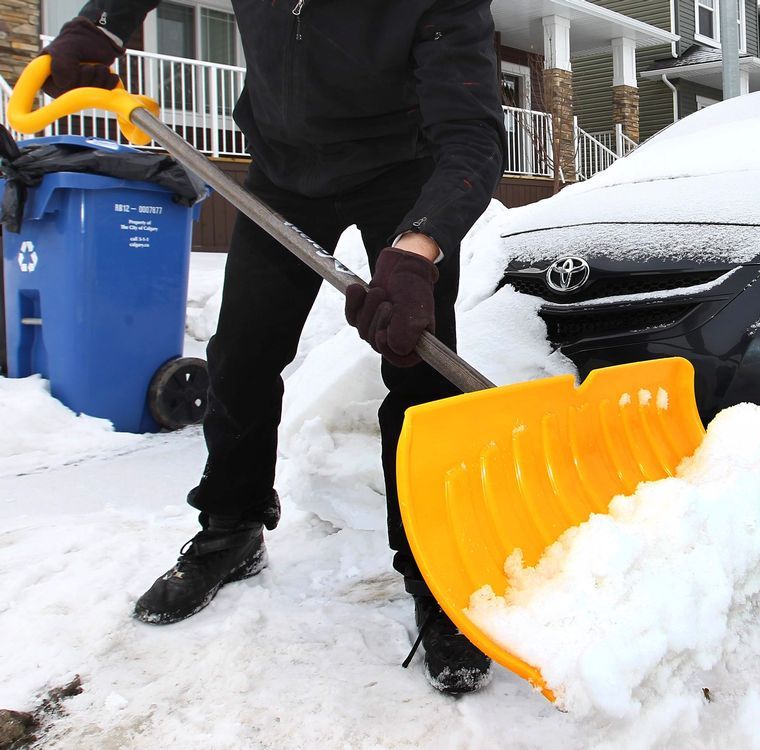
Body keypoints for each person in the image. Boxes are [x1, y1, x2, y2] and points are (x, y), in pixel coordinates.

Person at [39, 0, 505, 695]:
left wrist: (420, 247)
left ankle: (435, 570)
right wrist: (104, 21)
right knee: (242, 355)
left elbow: (473, 134)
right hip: (285, 169)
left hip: (407, 172)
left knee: (418, 370)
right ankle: (232, 527)